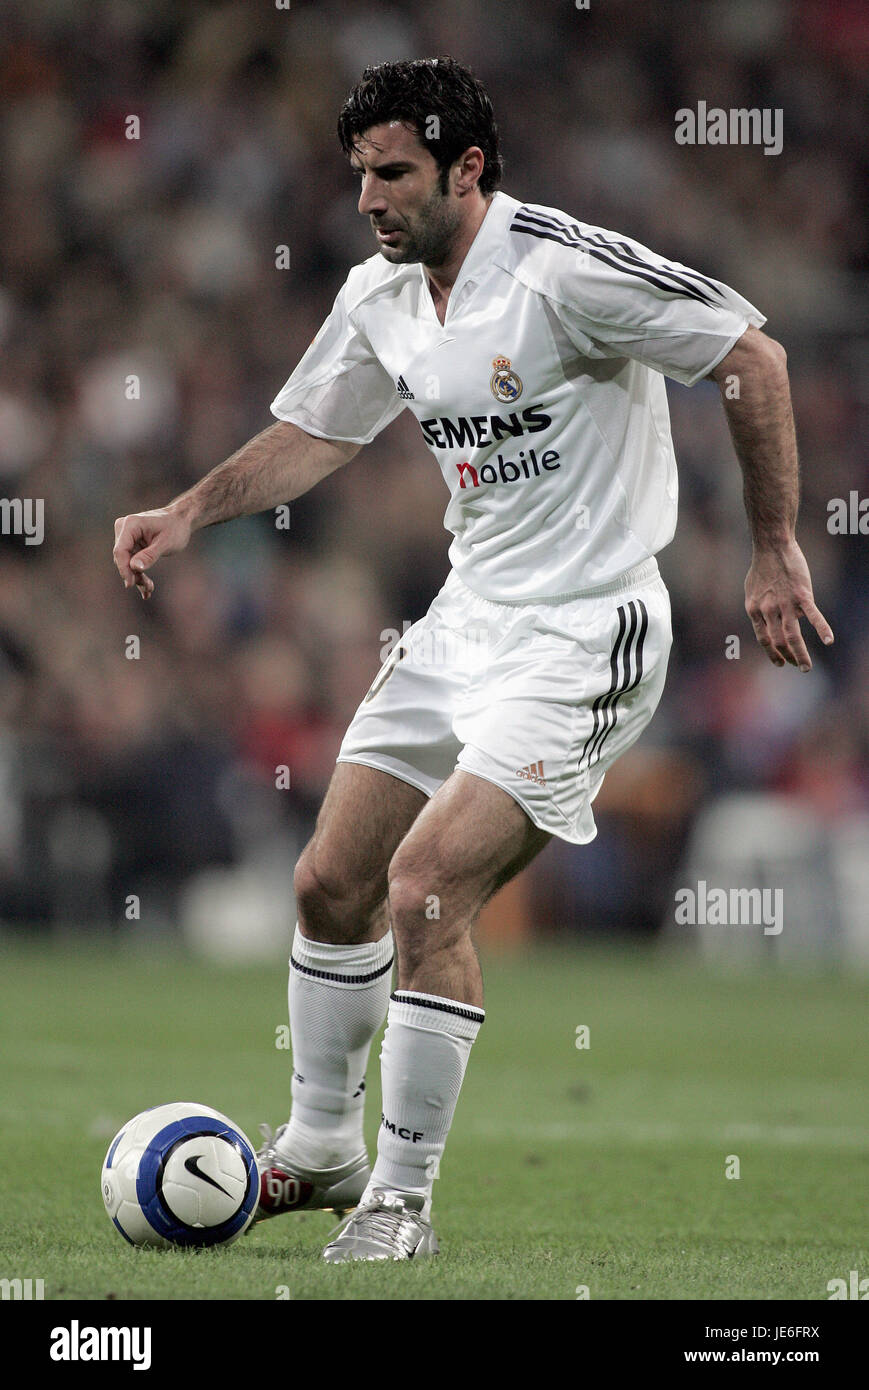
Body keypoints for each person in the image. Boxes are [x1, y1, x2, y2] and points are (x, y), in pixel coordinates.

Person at [113, 58, 833, 1262]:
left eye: (392, 173)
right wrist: (189, 512)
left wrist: (770, 549)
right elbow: (313, 431)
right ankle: (321, 1146)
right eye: (358, 175)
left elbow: (749, 358)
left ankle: (399, 1201)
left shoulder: (566, 268)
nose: (368, 200)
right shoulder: (380, 295)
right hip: (466, 619)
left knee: (425, 886)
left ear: (467, 168)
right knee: (326, 885)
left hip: (587, 627)